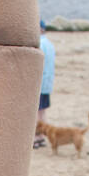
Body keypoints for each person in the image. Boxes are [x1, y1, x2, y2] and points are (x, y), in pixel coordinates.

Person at [34, 18, 55, 148]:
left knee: (36, 112)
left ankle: (36, 137)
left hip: (40, 83)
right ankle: (42, 136)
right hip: (48, 83)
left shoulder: (40, 44)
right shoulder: (50, 44)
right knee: (42, 112)